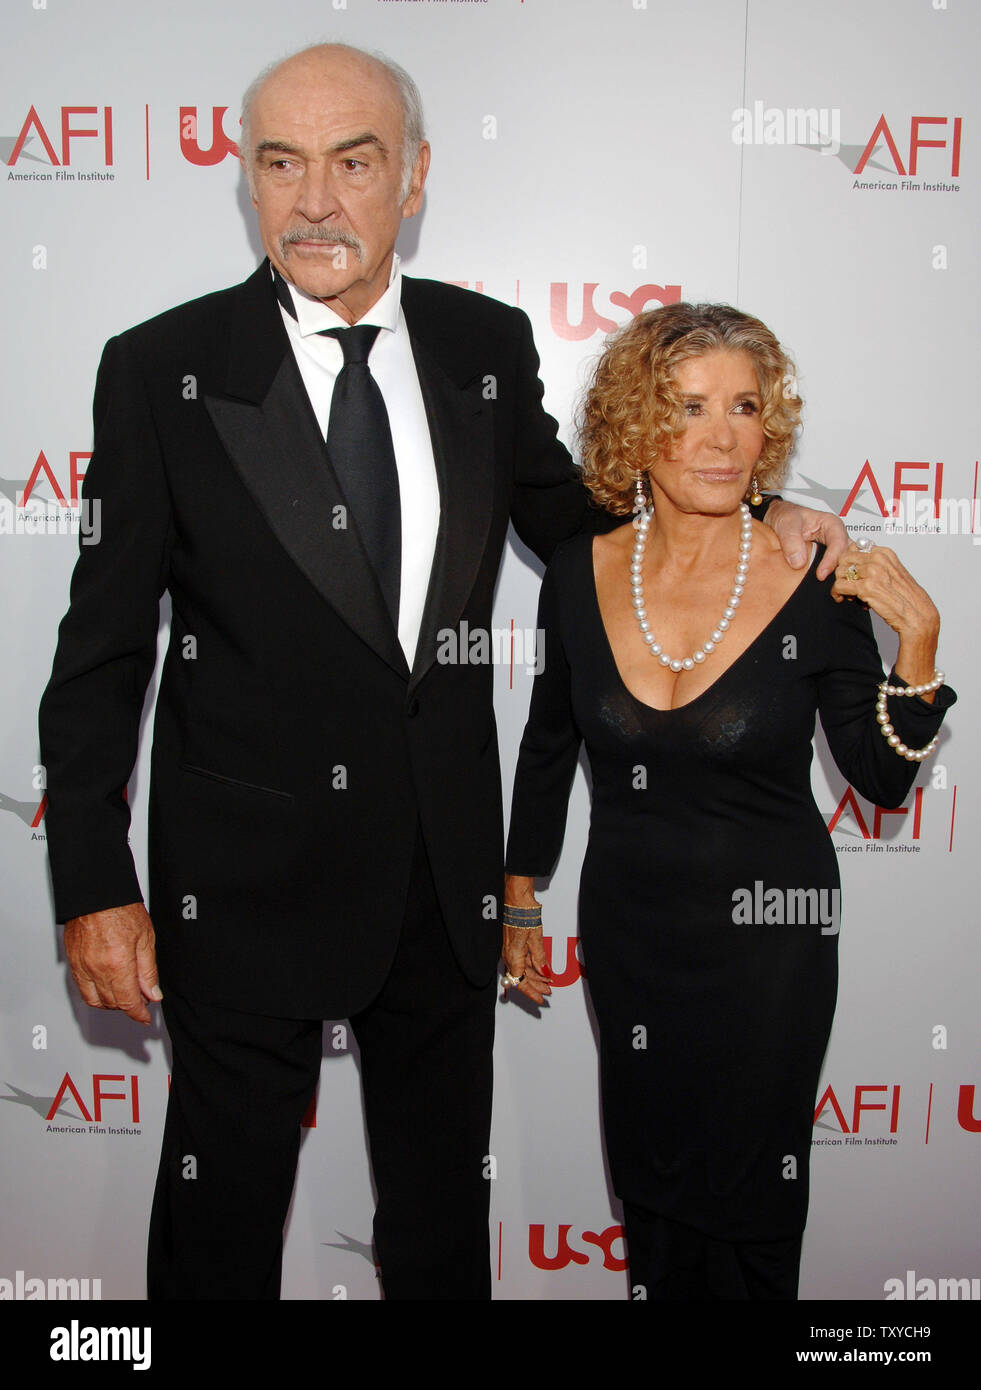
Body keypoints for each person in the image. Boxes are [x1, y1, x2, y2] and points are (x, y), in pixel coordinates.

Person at [38, 44, 848, 1302]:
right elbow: (98, 652)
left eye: (353, 162)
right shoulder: (162, 367)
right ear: (245, 182)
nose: (316, 200)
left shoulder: (483, 342)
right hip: (239, 883)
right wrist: (92, 879)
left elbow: (588, 524)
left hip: (441, 873)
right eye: (280, 162)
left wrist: (766, 520)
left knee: (438, 1232)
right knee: (219, 1225)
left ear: (412, 177)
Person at [503, 303, 954, 1300]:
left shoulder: (811, 577)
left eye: (745, 407)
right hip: (631, 938)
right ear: (636, 426)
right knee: (655, 1194)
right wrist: (521, 892)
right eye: (689, 405)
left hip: (770, 948)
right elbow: (547, 743)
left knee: (750, 1205)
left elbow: (880, 780)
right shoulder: (578, 572)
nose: (722, 436)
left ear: (770, 427)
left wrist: (915, 656)